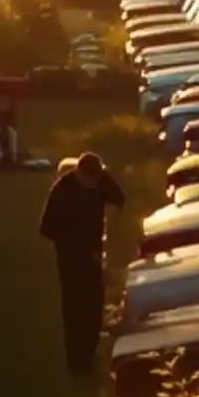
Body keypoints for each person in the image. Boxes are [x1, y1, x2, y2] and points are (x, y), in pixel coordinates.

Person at [39, 151, 125, 373]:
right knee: (75, 309)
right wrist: (73, 241)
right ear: (79, 174)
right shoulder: (62, 190)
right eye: (90, 180)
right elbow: (46, 228)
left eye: (97, 180)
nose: (94, 185)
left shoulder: (100, 183)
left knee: (94, 306)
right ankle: (77, 361)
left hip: (93, 255)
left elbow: (118, 198)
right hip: (70, 259)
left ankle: (90, 350)